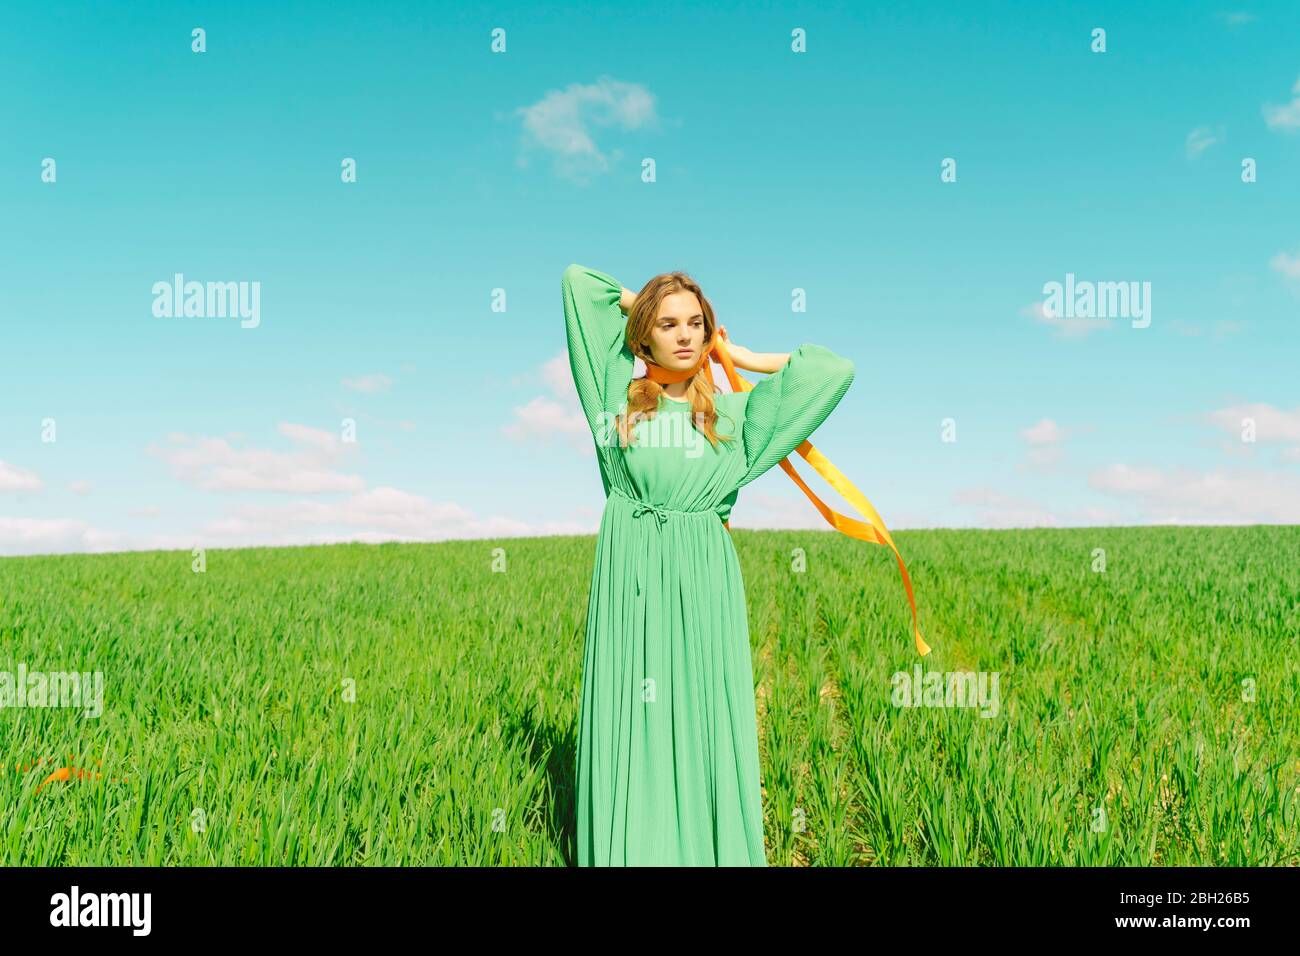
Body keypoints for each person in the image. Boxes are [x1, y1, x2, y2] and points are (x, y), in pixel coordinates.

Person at [562, 263, 856, 866]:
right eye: (667, 324)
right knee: (635, 722)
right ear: (642, 337)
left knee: (696, 718)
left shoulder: (735, 420)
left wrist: (743, 358)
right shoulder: (614, 407)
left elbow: (833, 371)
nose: (685, 334)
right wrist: (641, 301)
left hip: (703, 583)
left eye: (696, 323)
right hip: (632, 576)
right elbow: (577, 285)